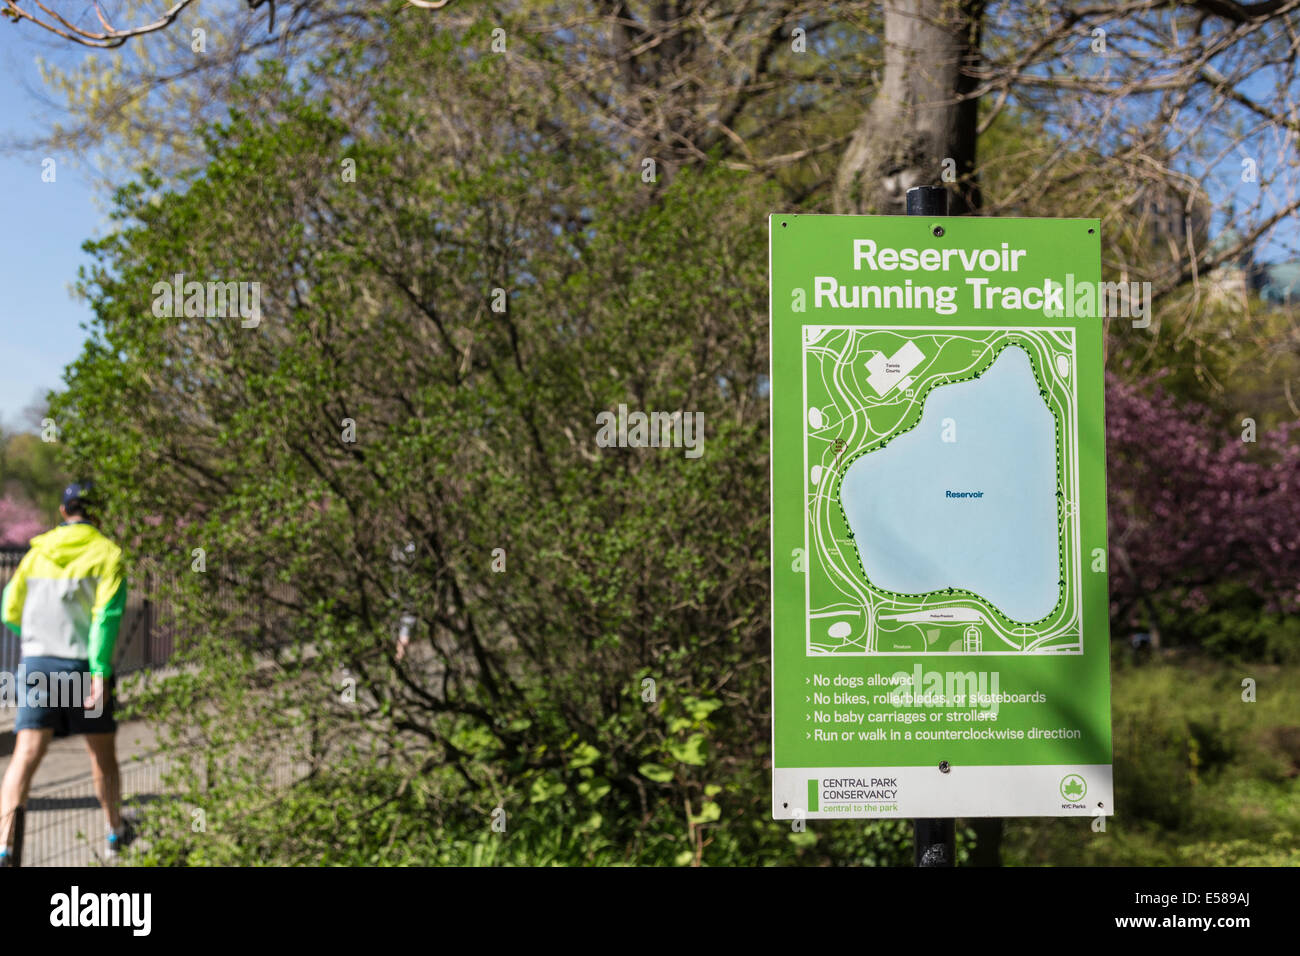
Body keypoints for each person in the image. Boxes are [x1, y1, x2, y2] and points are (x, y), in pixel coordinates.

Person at [0, 482, 133, 866]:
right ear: (98, 513)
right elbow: (104, 620)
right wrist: (100, 673)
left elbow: (10, 609)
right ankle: (114, 832)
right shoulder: (108, 554)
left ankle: (7, 847)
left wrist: (38, 639)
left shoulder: (36, 552)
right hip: (82, 668)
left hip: (37, 666)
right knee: (102, 755)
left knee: (24, 755)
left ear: (63, 511)